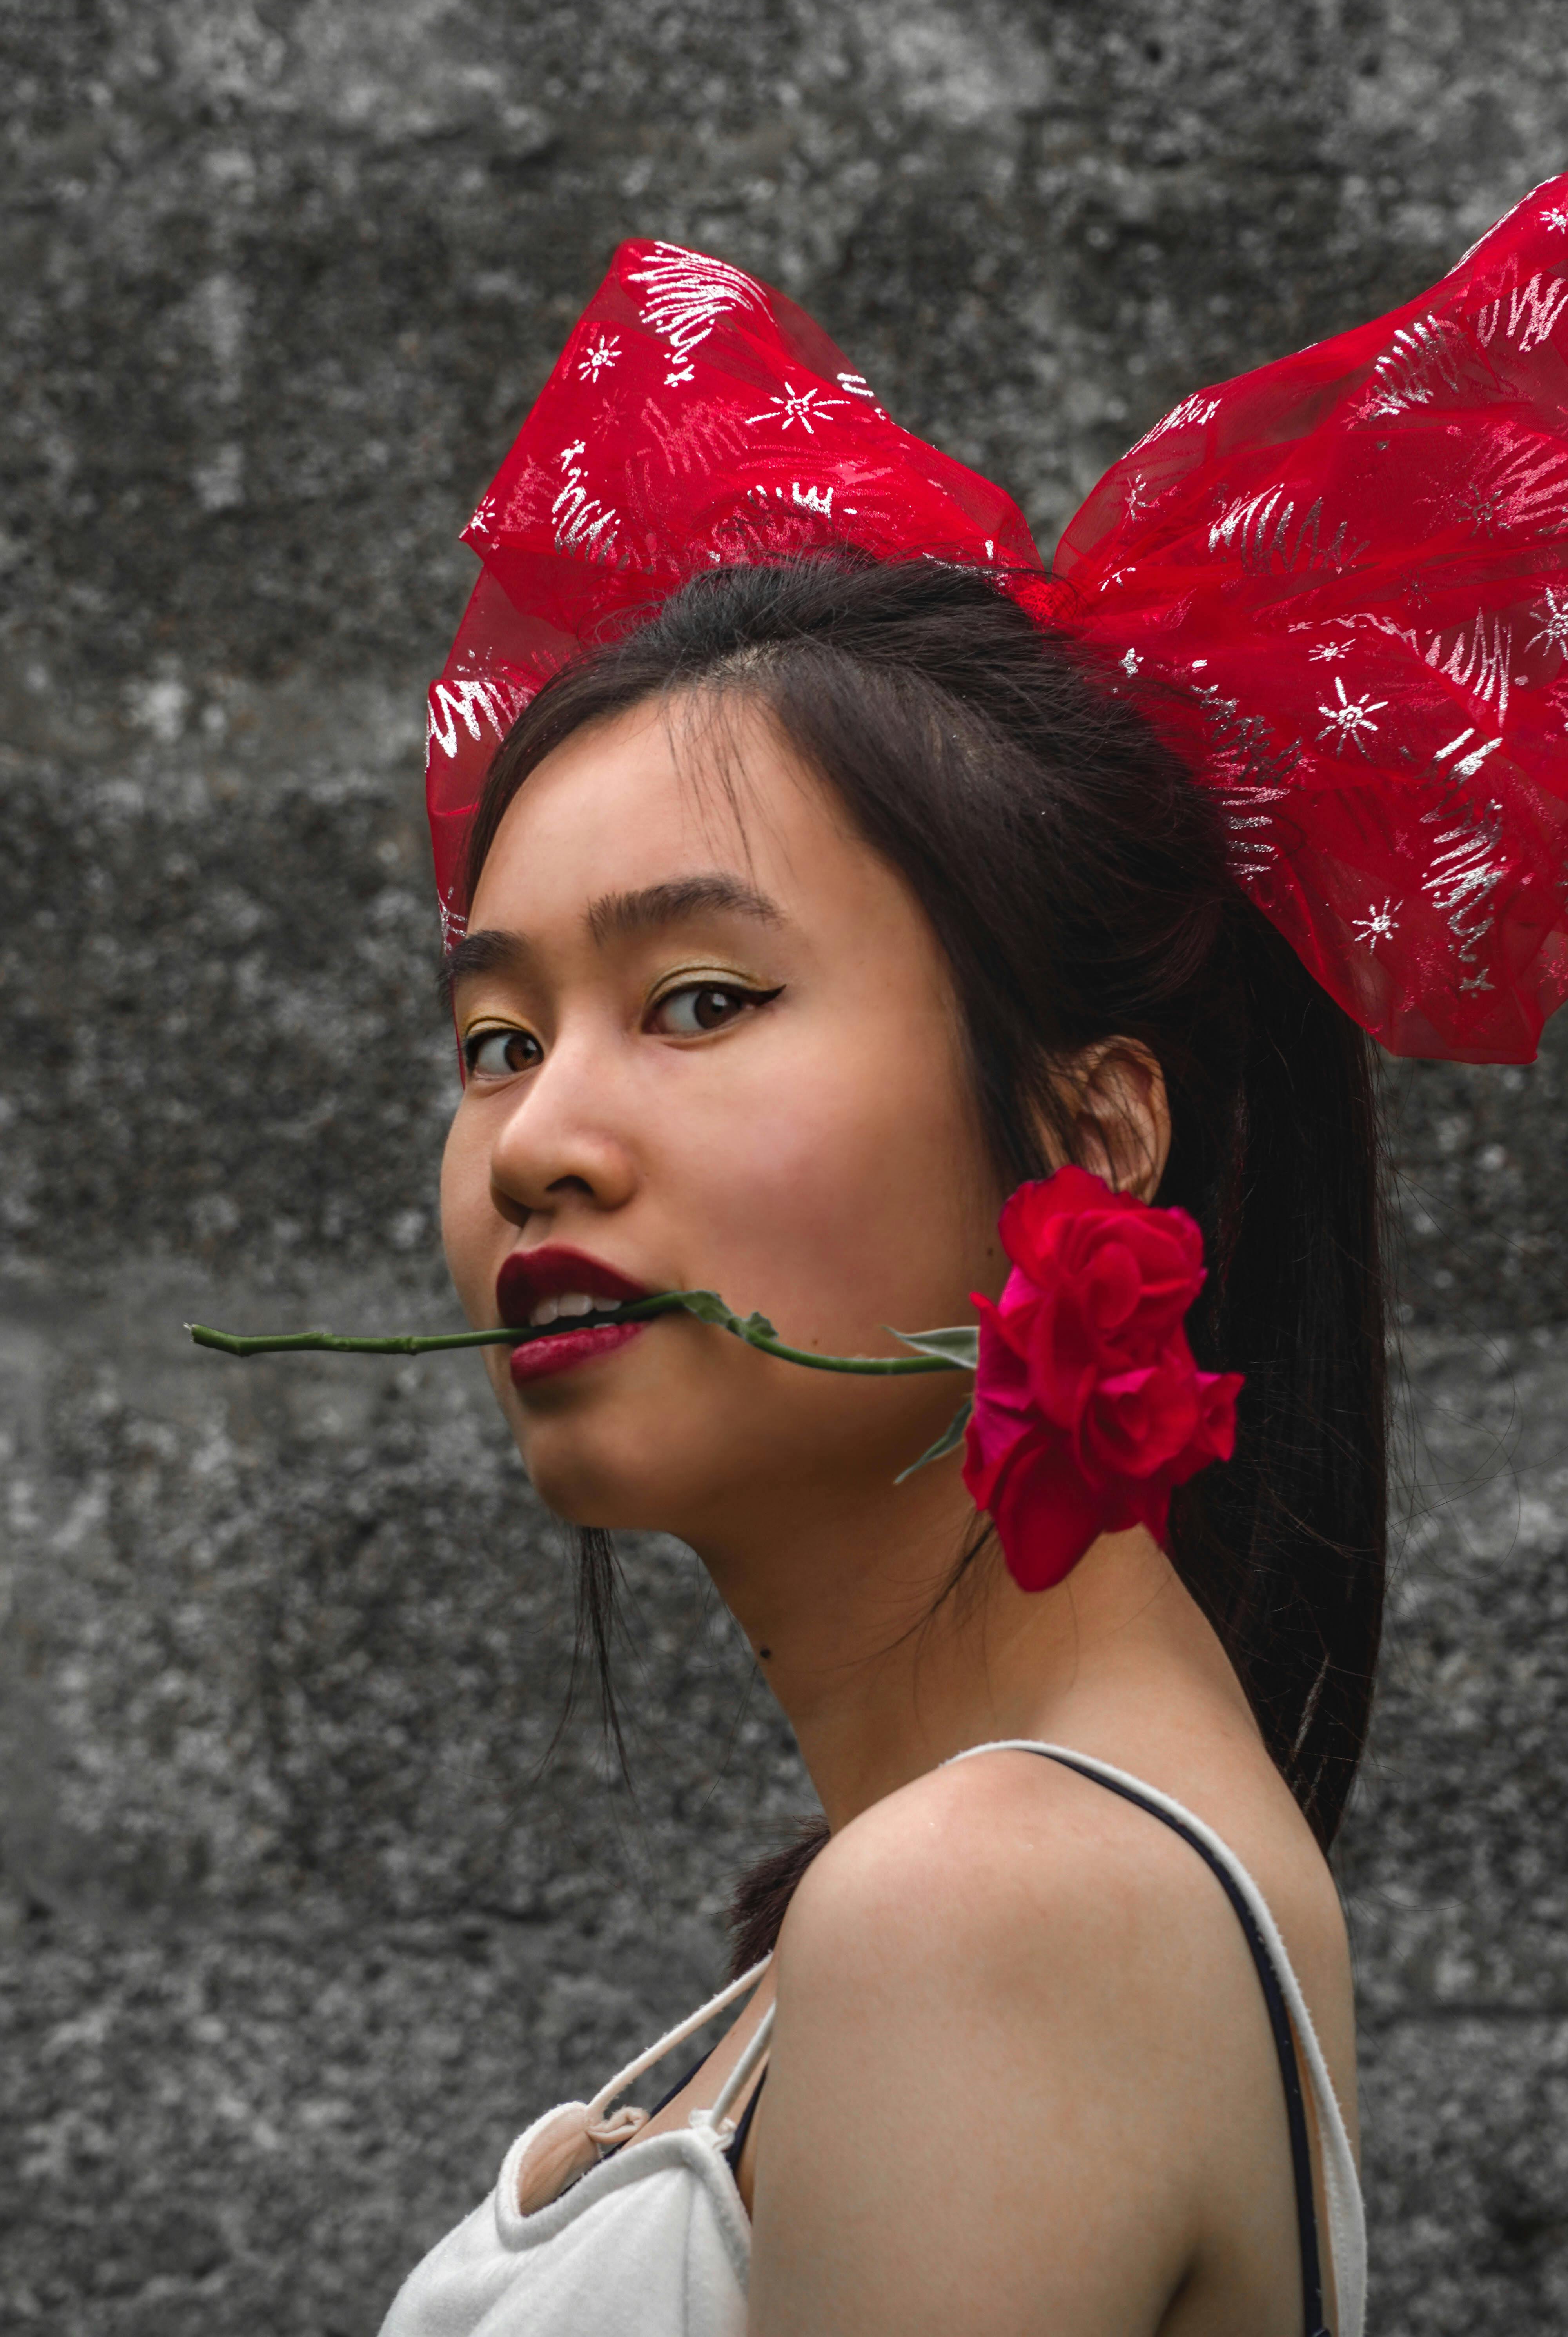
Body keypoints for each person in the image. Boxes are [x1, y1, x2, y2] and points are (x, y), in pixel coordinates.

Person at [378, 184, 1568, 2336]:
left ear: (1093, 1132)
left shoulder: (989, 1908)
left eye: (703, 1002)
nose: (535, 1138)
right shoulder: (982, 1884)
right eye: (493, 1036)